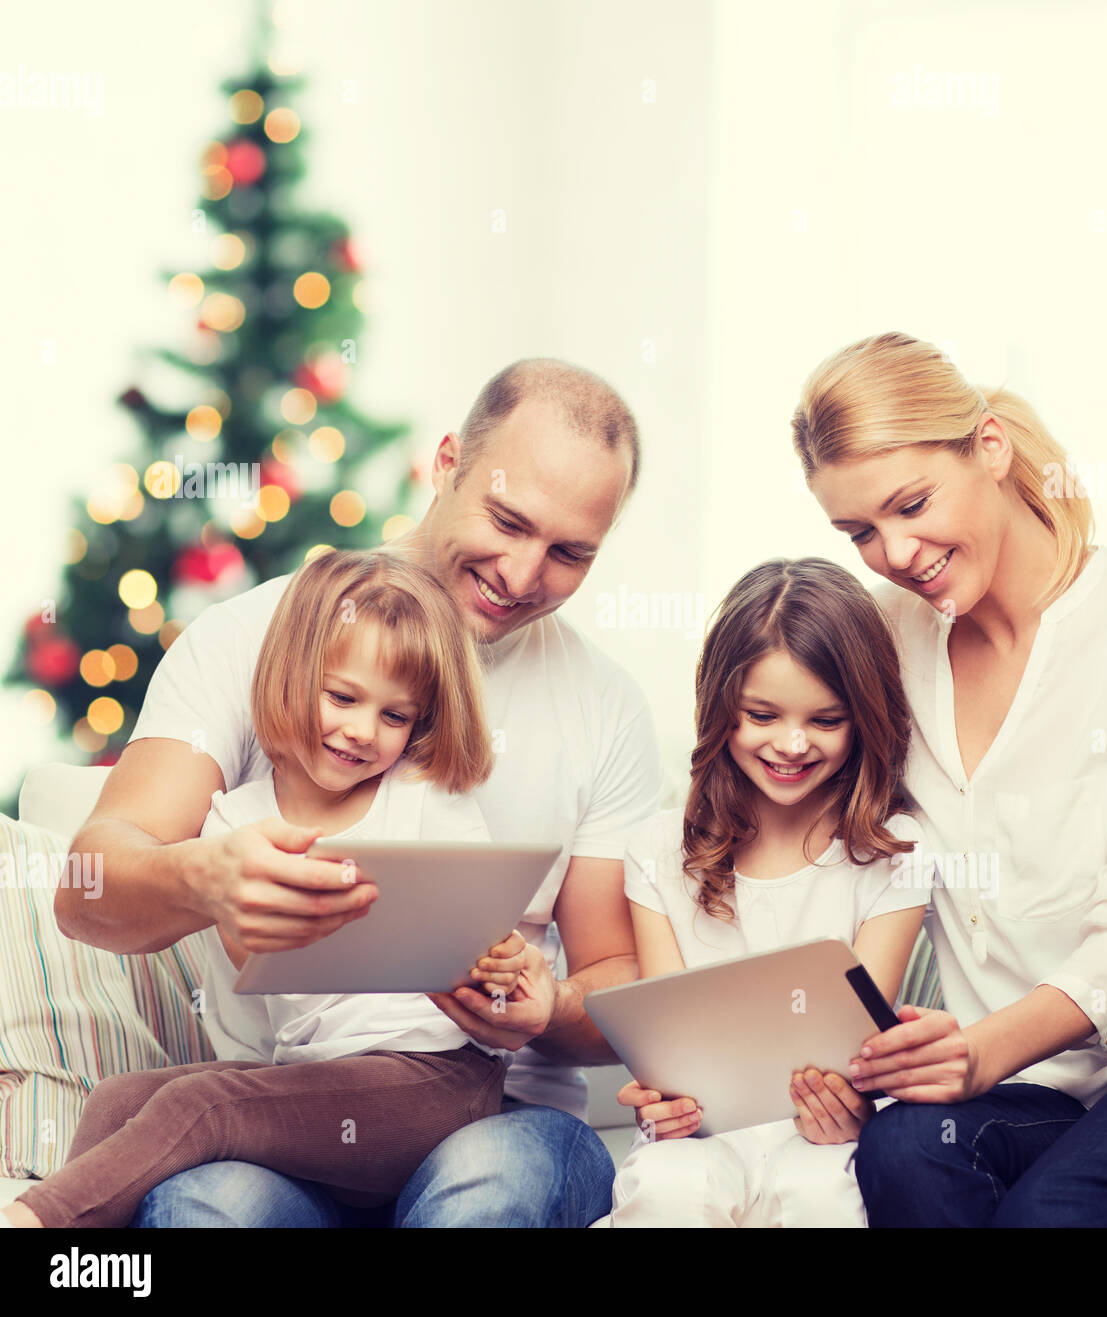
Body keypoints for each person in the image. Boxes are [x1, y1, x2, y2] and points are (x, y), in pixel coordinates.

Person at [53, 359, 663, 1229]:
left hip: (496, 1113)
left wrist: (543, 1007)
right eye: (507, 520)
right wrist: (204, 879)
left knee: (493, 1186)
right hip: (285, 1116)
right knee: (205, 1202)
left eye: (569, 553)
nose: (524, 574)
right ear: (447, 461)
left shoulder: (604, 707)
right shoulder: (252, 638)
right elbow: (88, 886)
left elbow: (618, 982)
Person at [791, 330, 1107, 1227]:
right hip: (1042, 1076)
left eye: (912, 504)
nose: (898, 551)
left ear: (990, 447)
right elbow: (826, 847)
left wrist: (980, 1053)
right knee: (902, 1149)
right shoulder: (887, 642)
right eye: (859, 531)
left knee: (1060, 1206)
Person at [4, 549, 519, 1229]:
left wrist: (508, 973)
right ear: (291, 675)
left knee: (205, 1106)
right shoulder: (232, 820)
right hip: (314, 1086)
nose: (363, 731)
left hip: (437, 1081)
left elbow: (483, 942)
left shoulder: (427, 799)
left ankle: (36, 1222)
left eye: (395, 716)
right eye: (343, 697)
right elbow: (259, 990)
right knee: (122, 1097)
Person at [610, 559, 938, 1227]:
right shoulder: (656, 847)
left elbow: (857, 1047)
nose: (791, 744)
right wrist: (663, 1100)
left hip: (821, 1136)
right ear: (721, 708)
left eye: (826, 720)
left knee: (824, 1196)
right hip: (700, 1136)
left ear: (865, 717)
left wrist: (846, 1102)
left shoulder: (894, 850)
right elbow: (668, 1046)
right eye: (762, 714)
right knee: (669, 1187)